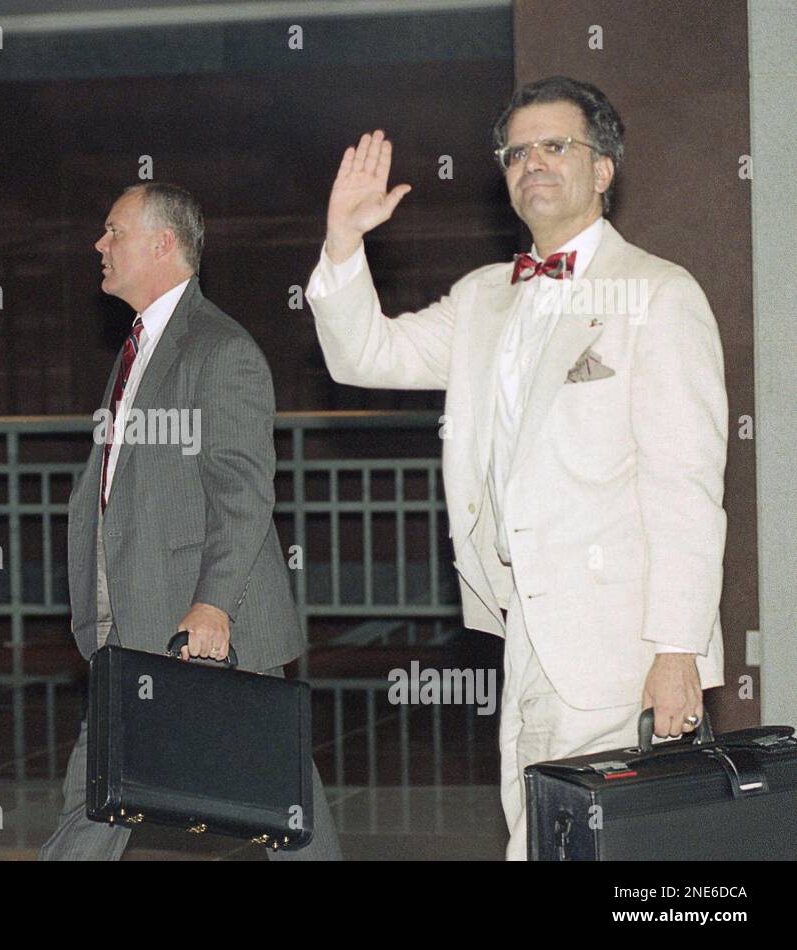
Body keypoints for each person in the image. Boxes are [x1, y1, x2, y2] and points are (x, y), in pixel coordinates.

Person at [306, 76, 727, 860]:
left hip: (621, 641)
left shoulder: (660, 294)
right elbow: (365, 354)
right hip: (523, 630)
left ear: (603, 170)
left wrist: (681, 654)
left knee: (582, 844)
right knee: (544, 836)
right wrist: (343, 242)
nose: (532, 162)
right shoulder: (483, 298)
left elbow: (687, 488)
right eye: (517, 152)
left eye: (556, 146)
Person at [39, 183, 342, 861]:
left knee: (287, 803)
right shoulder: (140, 347)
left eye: (114, 231)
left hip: (197, 623)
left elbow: (241, 492)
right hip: (136, 622)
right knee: (98, 800)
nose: (100, 245)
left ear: (162, 244)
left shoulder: (218, 349)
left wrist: (211, 603)